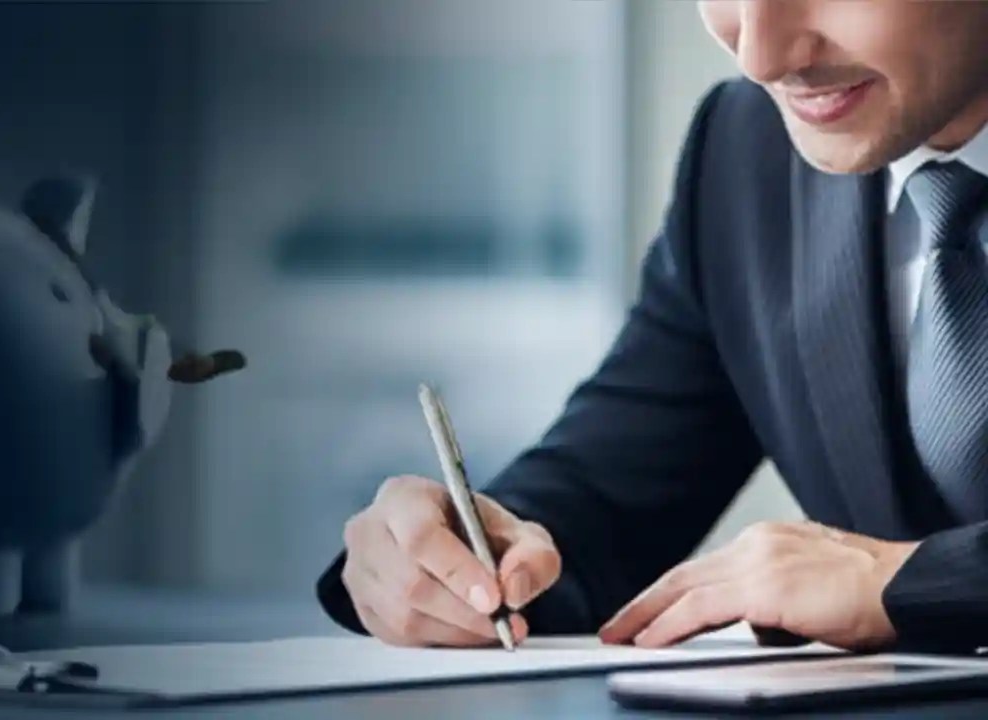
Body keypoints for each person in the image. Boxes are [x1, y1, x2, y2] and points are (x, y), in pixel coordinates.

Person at [316, 0, 988, 653]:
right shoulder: (743, 152)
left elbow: (906, 585)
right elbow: (608, 496)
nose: (760, 56)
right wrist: (463, 559)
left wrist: (908, 583)